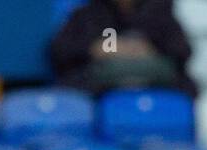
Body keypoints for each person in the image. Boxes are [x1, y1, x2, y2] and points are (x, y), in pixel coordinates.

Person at [50, 0, 196, 96]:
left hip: (153, 82)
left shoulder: (159, 12)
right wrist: (95, 49)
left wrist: (150, 50)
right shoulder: (88, 14)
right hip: (100, 87)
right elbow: (60, 52)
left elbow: (183, 52)